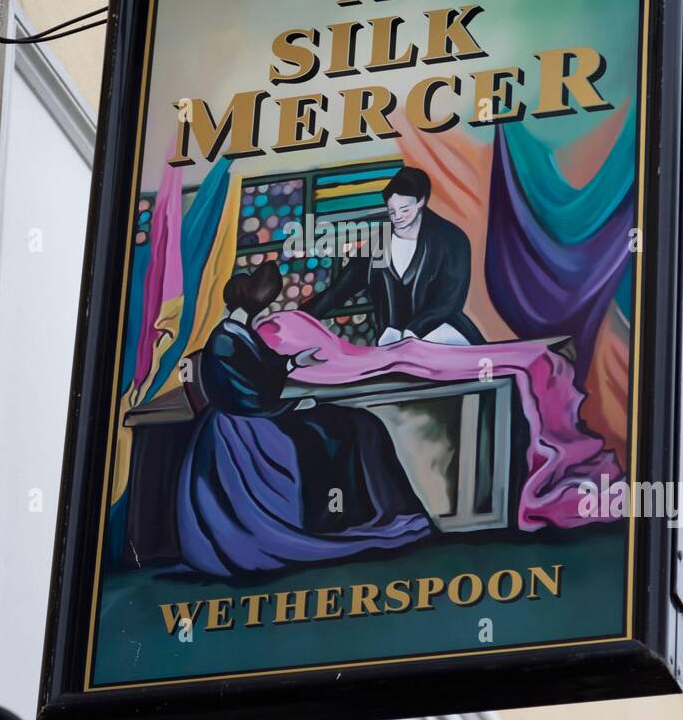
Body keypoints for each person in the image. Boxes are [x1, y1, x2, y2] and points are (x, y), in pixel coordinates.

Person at [169, 260, 431, 578]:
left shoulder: (240, 334)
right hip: (246, 426)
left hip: (259, 415)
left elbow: (265, 373)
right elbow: (244, 397)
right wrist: (292, 408)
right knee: (337, 431)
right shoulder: (225, 340)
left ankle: (366, 513)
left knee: (359, 423)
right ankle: (334, 519)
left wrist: (294, 362)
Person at [305, 166, 483, 346]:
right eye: (392, 211)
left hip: (445, 334)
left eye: (404, 209)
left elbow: (449, 302)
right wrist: (300, 318)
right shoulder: (379, 244)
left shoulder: (451, 239)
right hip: (394, 342)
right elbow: (338, 290)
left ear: (421, 201)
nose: (397, 217)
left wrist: (414, 330)